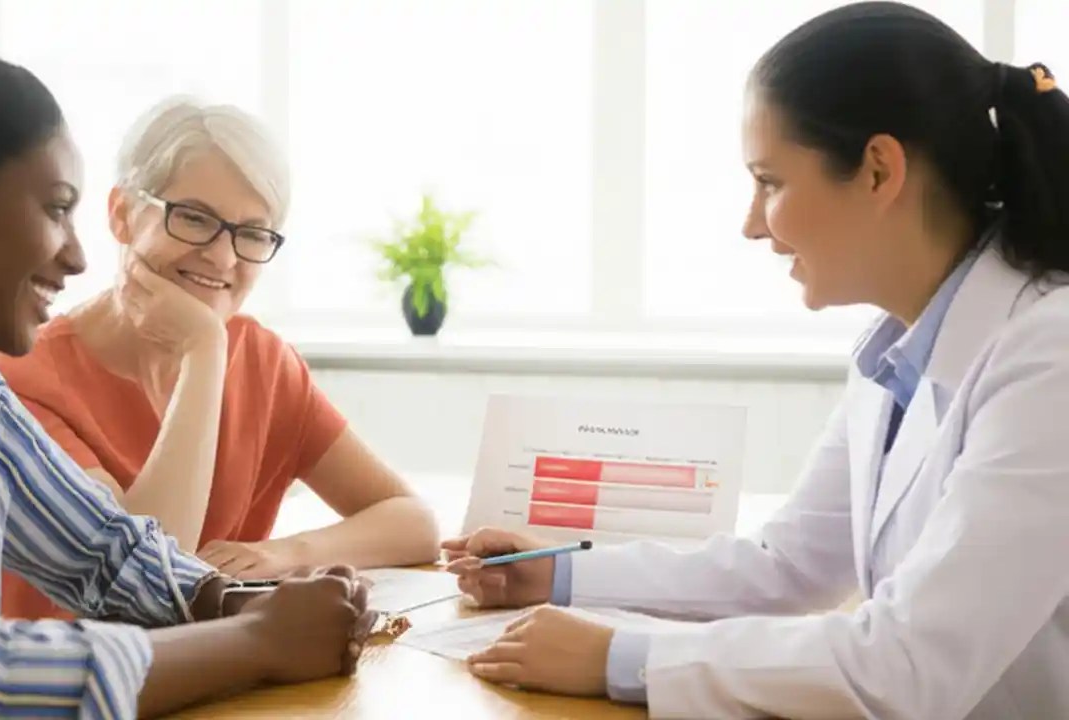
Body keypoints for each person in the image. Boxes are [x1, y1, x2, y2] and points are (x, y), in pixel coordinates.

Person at [444, 3, 1069, 718]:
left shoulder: (1050, 355)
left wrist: (618, 659)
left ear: (877, 170)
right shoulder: (896, 352)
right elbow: (789, 566)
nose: (751, 223)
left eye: (769, 182)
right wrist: (556, 574)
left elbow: (907, 665)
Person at [0, 39, 374, 719]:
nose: (77, 255)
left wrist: (242, 599)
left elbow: (104, 550)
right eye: (55, 209)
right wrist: (258, 640)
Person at [0, 97, 438, 619]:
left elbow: (413, 522)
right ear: (122, 215)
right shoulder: (22, 379)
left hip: (219, 681)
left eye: (251, 233)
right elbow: (140, 585)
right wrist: (203, 353)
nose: (223, 258)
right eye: (195, 218)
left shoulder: (263, 363)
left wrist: (285, 554)